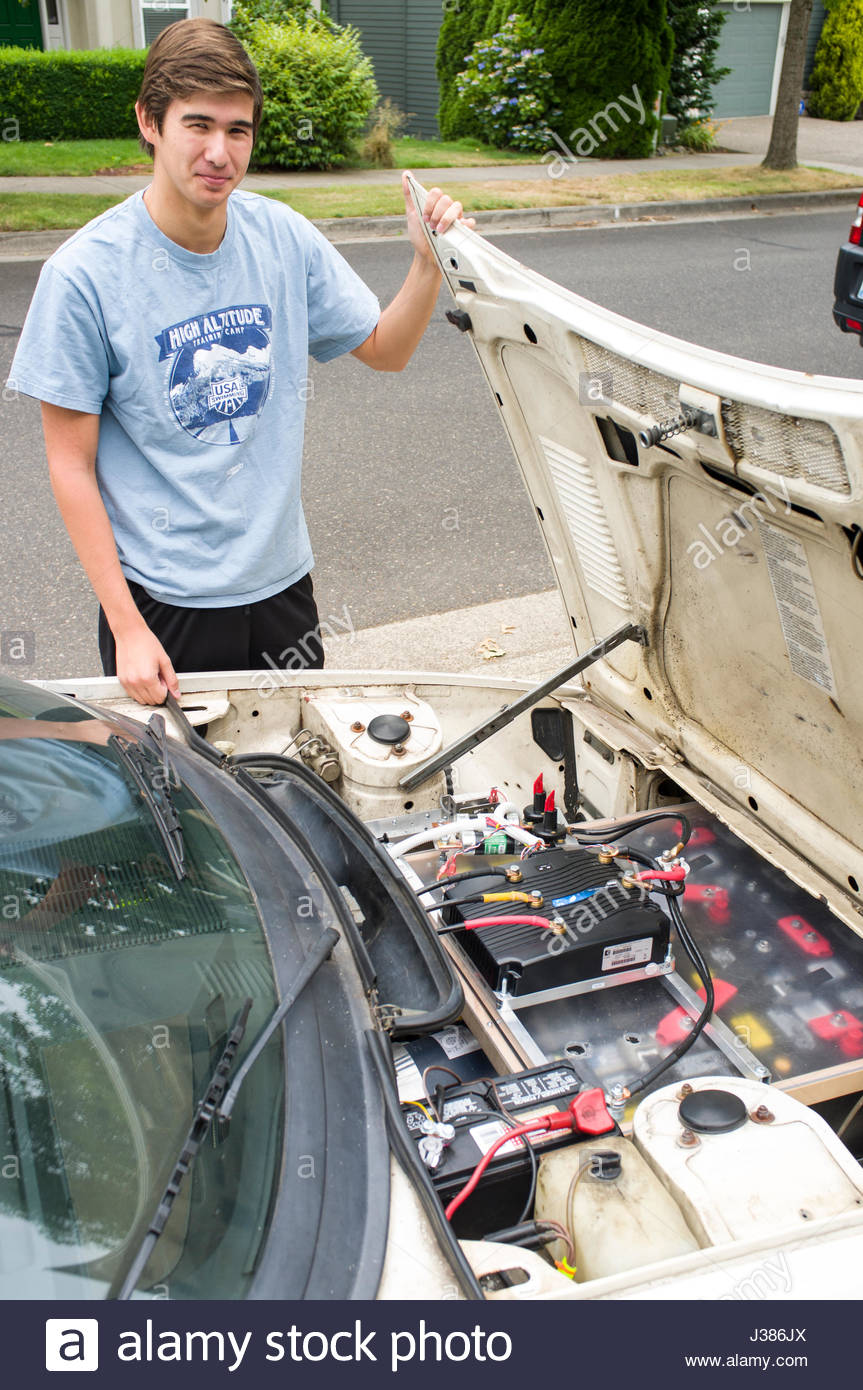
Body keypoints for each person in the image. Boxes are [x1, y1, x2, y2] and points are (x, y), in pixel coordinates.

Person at [7, 17, 474, 707]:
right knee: (186, 808)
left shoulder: (280, 234)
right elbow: (69, 465)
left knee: (296, 786)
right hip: (164, 605)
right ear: (149, 121)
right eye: (197, 125)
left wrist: (425, 262)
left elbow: (386, 350)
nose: (219, 153)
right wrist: (126, 626)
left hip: (281, 588)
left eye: (238, 130)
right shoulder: (83, 275)